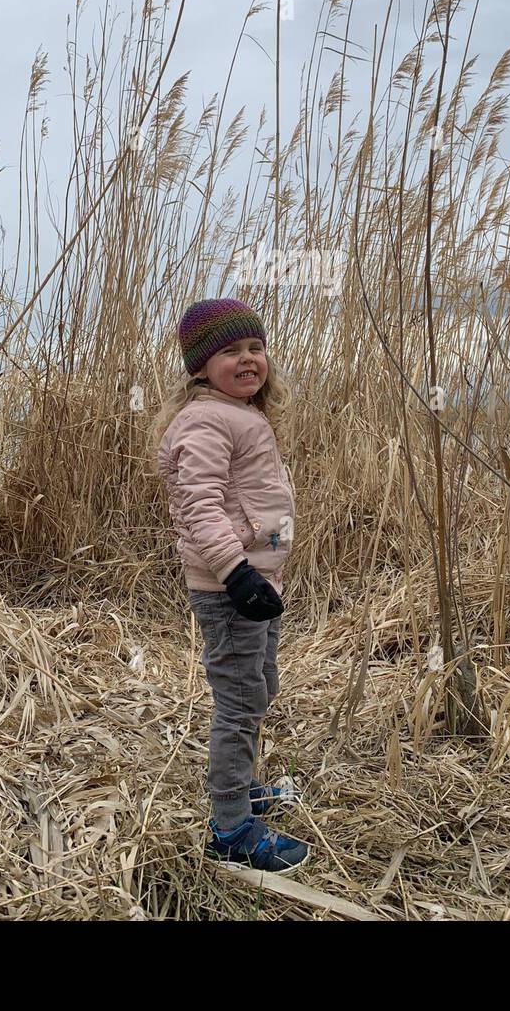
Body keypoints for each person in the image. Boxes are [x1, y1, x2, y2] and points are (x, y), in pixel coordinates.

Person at [151, 297, 309, 871]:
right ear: (198, 366)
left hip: (257, 581)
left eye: (255, 347)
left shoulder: (242, 414)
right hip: (229, 587)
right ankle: (230, 828)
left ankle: (242, 786)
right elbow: (199, 504)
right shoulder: (205, 421)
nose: (248, 359)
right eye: (229, 351)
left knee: (259, 685)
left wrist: (260, 570)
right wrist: (235, 572)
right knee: (239, 703)